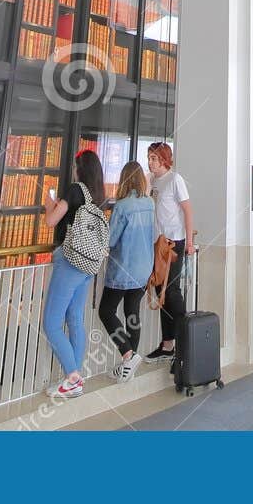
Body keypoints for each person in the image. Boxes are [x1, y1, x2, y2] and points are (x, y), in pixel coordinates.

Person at [40, 149, 106, 398]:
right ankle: (75, 379)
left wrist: (49, 206)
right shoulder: (99, 194)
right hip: (89, 263)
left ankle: (73, 377)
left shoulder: (75, 189)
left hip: (70, 260)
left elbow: (51, 222)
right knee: (75, 318)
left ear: (80, 168)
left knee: (51, 323)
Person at [99, 161, 155, 383]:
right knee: (132, 313)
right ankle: (129, 364)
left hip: (123, 268)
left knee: (106, 311)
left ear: (123, 179)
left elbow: (111, 239)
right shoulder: (150, 203)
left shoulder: (122, 206)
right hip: (143, 268)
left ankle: (128, 354)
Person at [145, 141, 194, 363]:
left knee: (172, 291)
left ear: (164, 159)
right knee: (160, 292)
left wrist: (190, 242)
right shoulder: (153, 181)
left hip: (174, 242)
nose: (150, 162)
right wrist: (147, 183)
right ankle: (167, 345)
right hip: (158, 242)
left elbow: (187, 210)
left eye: (154, 158)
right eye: (149, 158)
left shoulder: (176, 180)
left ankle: (187, 340)